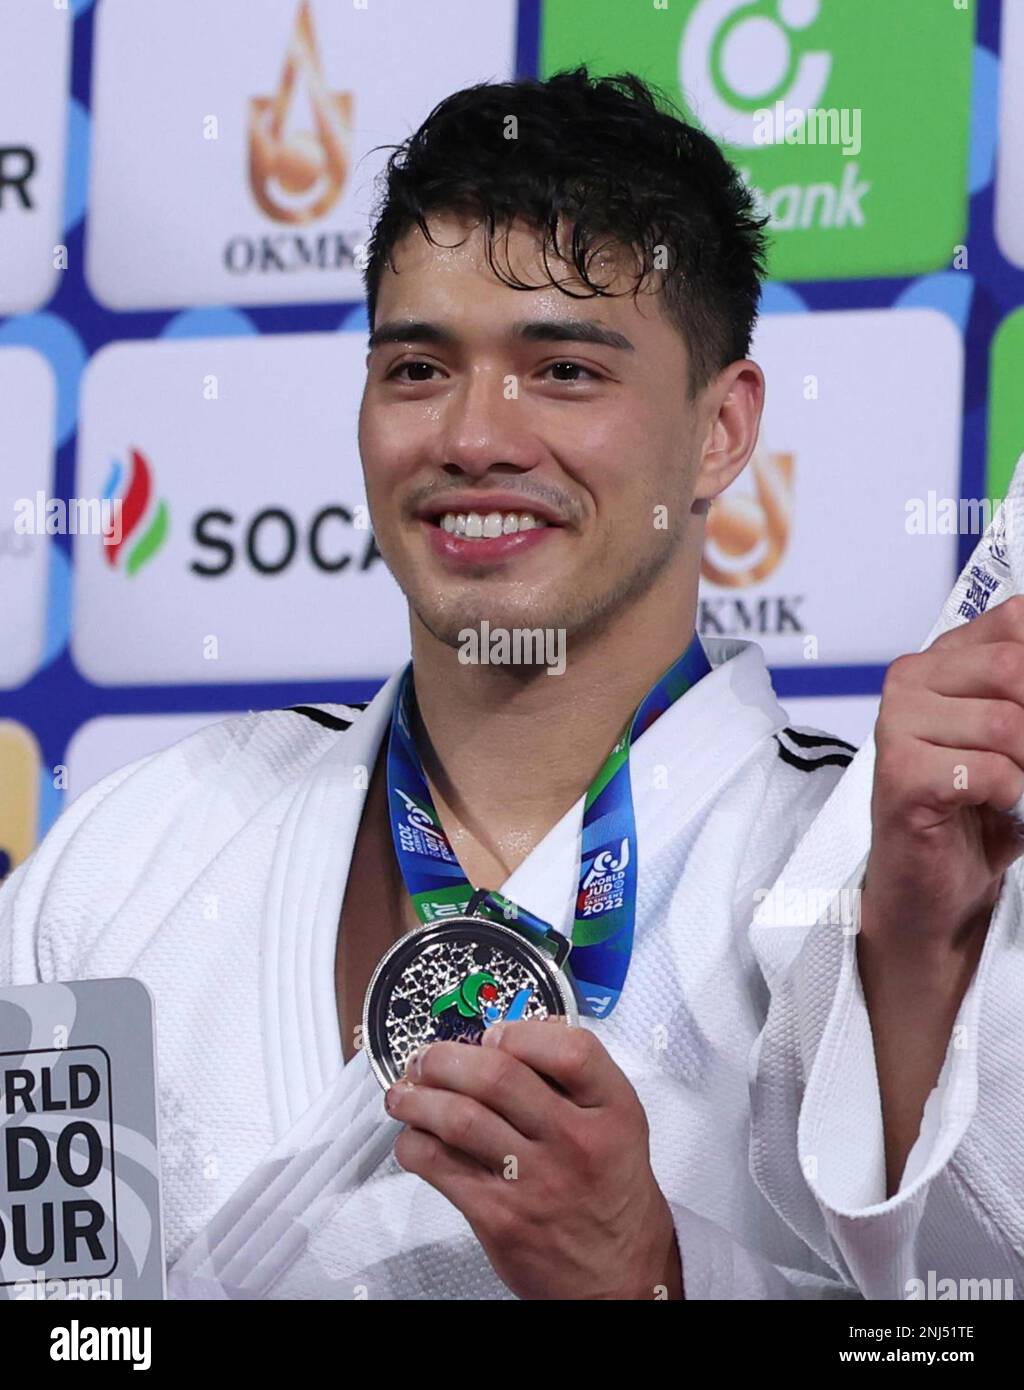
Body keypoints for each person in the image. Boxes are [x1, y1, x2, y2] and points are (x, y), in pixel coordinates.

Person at [3, 68, 1023, 1300]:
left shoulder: (890, 889)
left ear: (721, 429)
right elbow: (51, 1314)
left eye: (566, 371)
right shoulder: (133, 855)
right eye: (419, 368)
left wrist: (656, 1277)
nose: (473, 435)